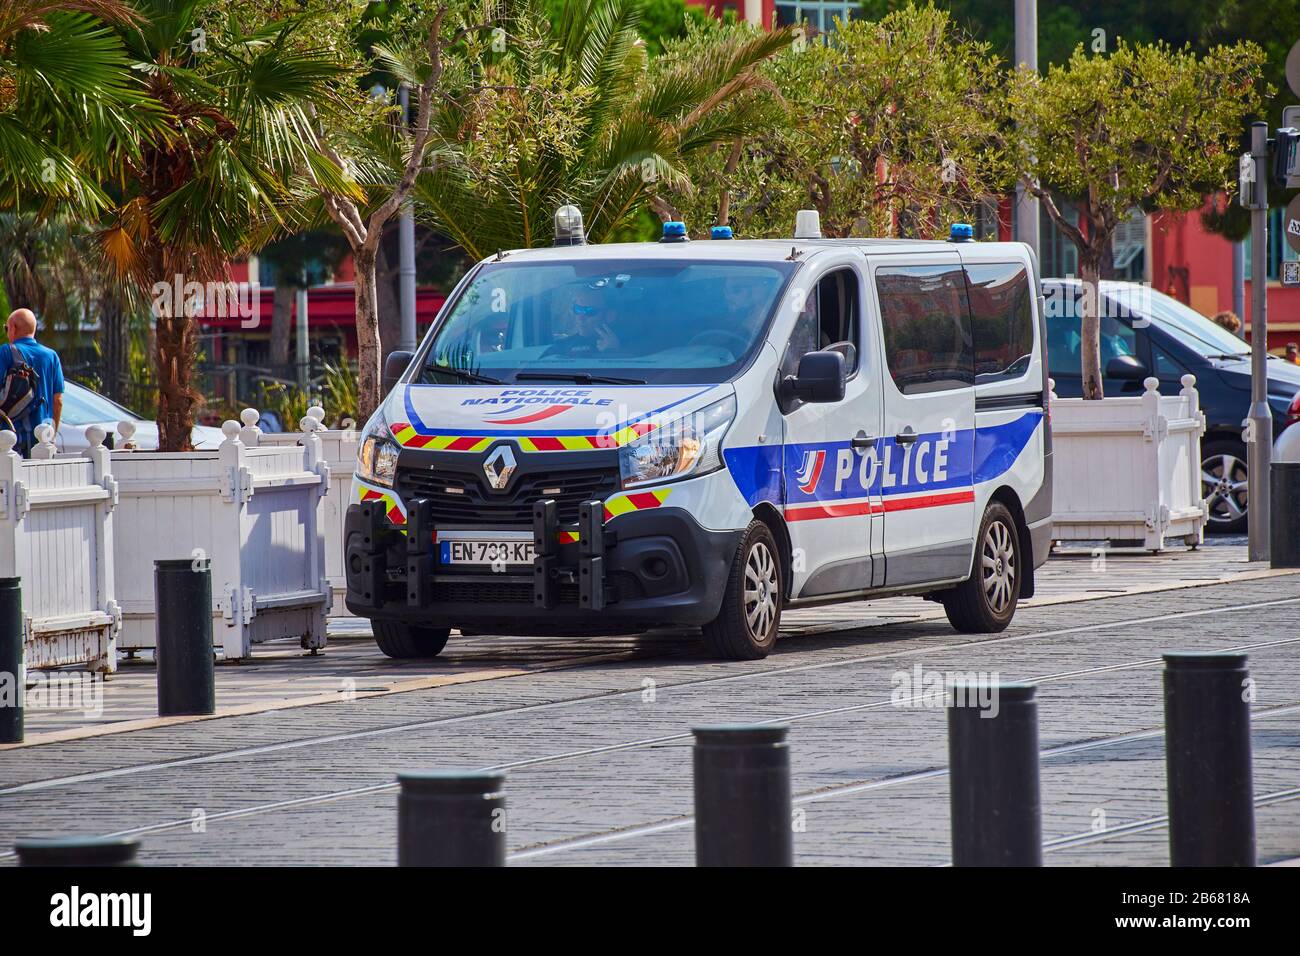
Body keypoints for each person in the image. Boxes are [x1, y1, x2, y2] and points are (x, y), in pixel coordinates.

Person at [0, 308, 64, 456]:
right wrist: (52, 435)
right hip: (43, 438)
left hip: (11, 438)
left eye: (6, 328)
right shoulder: (51, 356)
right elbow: (58, 400)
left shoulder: (5, 352)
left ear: (13, 328)